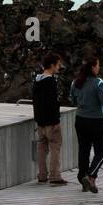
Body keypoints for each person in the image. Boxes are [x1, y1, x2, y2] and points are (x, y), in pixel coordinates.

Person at [70, 57, 103, 193]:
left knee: (84, 150)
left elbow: (72, 99)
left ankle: (83, 178)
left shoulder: (75, 83)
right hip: (97, 121)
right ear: (93, 67)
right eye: (98, 65)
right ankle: (91, 175)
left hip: (80, 120)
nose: (99, 68)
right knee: (102, 151)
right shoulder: (99, 83)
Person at [33, 52, 67, 185]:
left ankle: (42, 175)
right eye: (58, 65)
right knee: (55, 148)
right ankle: (55, 176)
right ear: (52, 65)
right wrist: (56, 119)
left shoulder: (37, 80)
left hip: (40, 121)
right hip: (51, 122)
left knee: (42, 149)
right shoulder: (50, 81)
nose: (59, 67)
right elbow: (52, 102)